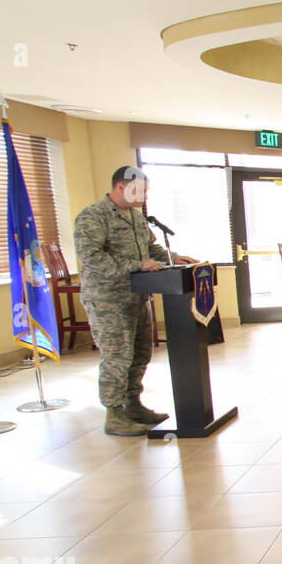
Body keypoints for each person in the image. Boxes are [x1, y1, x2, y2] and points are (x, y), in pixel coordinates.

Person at [74, 166, 197, 437]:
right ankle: (114, 413)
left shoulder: (136, 217)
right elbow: (91, 257)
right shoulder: (94, 216)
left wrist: (171, 258)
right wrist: (136, 265)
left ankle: (133, 404)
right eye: (138, 191)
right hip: (108, 299)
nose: (143, 196)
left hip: (138, 296)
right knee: (117, 355)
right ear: (120, 187)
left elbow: (150, 248)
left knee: (141, 353)